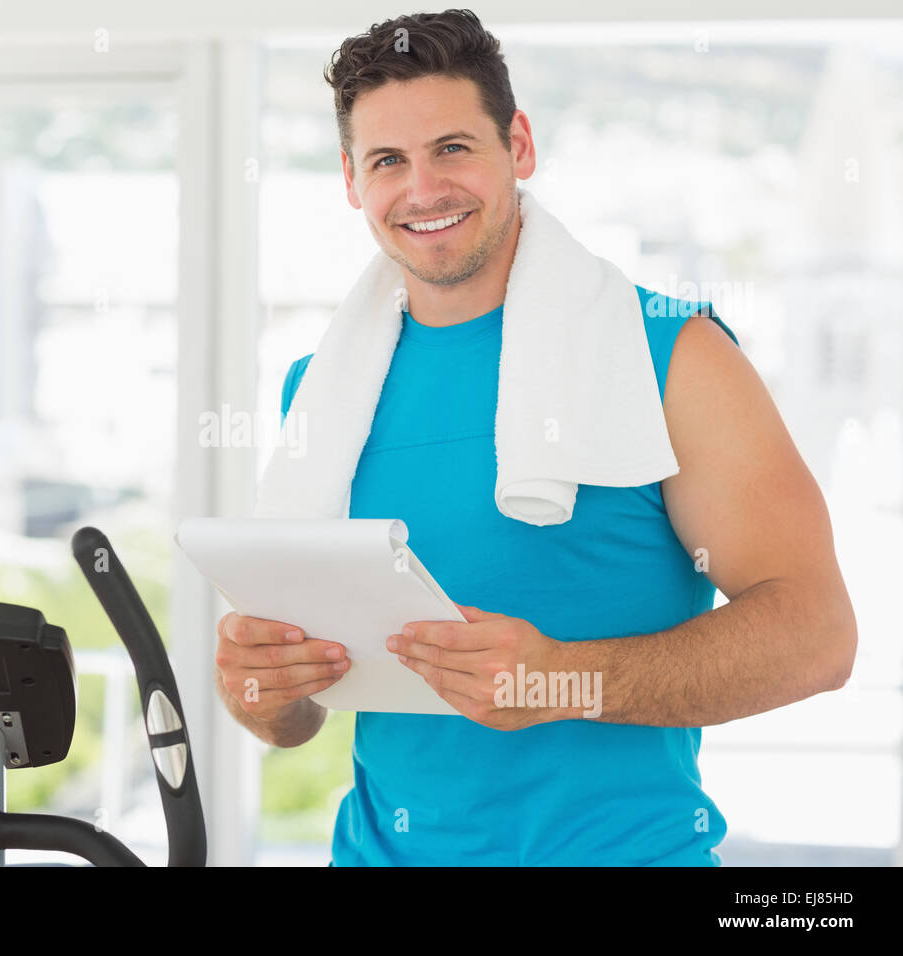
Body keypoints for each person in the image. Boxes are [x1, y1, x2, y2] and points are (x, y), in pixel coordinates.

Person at [212, 8, 857, 866]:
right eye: (387, 162)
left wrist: (565, 679)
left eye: (452, 148)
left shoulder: (670, 354)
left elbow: (816, 636)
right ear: (350, 179)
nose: (423, 190)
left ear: (517, 145)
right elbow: (296, 720)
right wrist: (265, 691)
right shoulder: (323, 388)